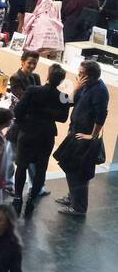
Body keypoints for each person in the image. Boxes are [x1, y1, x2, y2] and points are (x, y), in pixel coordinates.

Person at [13, 64, 69, 217]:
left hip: (28, 133)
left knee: (22, 166)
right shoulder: (63, 97)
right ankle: (31, 200)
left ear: (48, 76)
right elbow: (63, 119)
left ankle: (17, 198)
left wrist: (25, 122)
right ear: (61, 80)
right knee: (41, 168)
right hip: (47, 135)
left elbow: (18, 111)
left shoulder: (32, 90)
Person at [57, 59, 108, 216]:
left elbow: (101, 115)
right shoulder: (84, 87)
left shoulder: (99, 90)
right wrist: (76, 87)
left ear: (90, 76)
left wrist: (92, 136)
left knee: (78, 171)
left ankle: (78, 207)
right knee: (69, 166)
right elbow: (65, 101)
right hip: (74, 132)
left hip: (82, 137)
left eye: (81, 74)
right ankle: (73, 197)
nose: (78, 76)